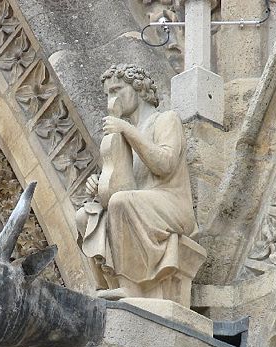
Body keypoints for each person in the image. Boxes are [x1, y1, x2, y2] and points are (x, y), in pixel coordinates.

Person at [76, 64, 197, 301]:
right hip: (138, 205)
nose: (112, 100)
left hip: (172, 204)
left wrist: (128, 131)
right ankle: (107, 284)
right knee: (84, 217)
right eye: (108, 94)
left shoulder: (166, 120)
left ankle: (131, 286)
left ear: (138, 88)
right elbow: (122, 182)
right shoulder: (122, 135)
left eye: (117, 90)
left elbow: (164, 164)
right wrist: (98, 183)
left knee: (121, 202)